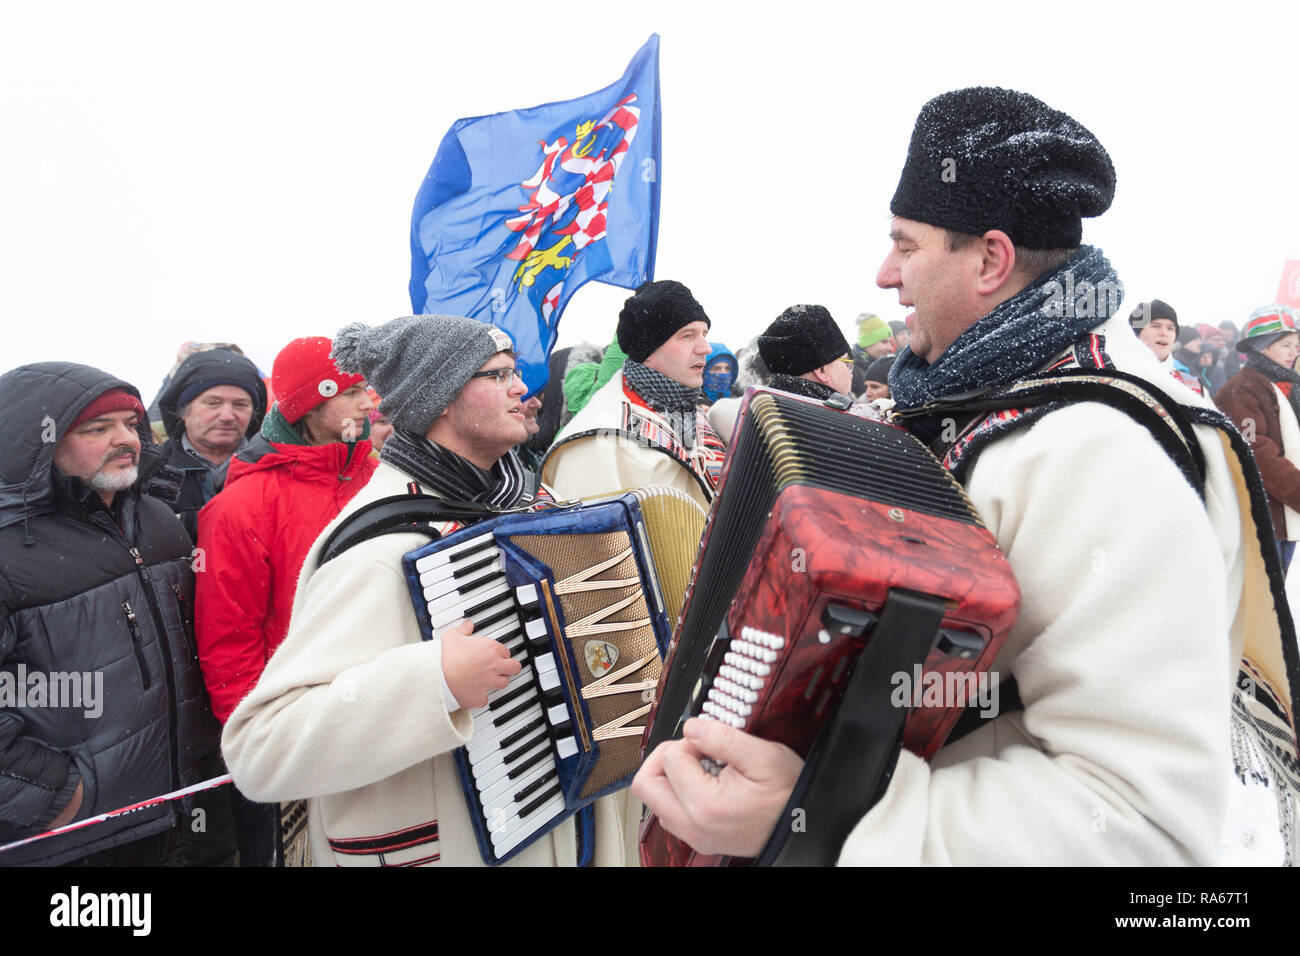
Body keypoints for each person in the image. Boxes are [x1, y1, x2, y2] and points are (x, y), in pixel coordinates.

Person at [634, 86, 1279, 865]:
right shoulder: (982, 394)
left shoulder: (1101, 446)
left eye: (906, 245)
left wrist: (821, 818)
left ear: (991, 261)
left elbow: (1140, 823)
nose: (883, 271)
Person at [221, 315, 638, 867]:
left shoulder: (531, 507)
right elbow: (260, 749)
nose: (523, 388)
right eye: (499, 375)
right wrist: (433, 683)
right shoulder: (378, 550)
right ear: (439, 398)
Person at [0, 363, 235, 866]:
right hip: (78, 838)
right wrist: (58, 794)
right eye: (97, 428)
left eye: (130, 423)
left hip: (190, 803)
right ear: (39, 444)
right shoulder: (9, 552)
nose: (126, 438)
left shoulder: (157, 518)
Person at [194, 336, 377, 865]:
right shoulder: (241, 507)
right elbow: (229, 639)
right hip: (301, 731)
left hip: (382, 710)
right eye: (353, 392)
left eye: (368, 388)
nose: (370, 403)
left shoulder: (380, 479)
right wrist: (261, 743)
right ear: (310, 405)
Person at [542, 280, 726, 508]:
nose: (705, 348)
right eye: (687, 336)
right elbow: (585, 540)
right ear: (648, 349)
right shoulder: (595, 441)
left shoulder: (691, 414)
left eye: (704, 334)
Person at [1215, 305, 1300, 573]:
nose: (1294, 352)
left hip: (1280, 516)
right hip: (1259, 519)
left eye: (1296, 345)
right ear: (1263, 347)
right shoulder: (1242, 390)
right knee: (1259, 607)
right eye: (1286, 345)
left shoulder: (1281, 386)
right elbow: (1255, 452)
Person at [155, 348, 267, 540]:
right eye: (213, 403)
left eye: (240, 404)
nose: (227, 416)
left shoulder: (274, 467)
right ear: (183, 410)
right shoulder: (148, 472)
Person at [1129, 299, 1202, 394]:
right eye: (1155, 326)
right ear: (1136, 334)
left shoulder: (1191, 384)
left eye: (1170, 328)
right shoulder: (1119, 373)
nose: (1164, 333)